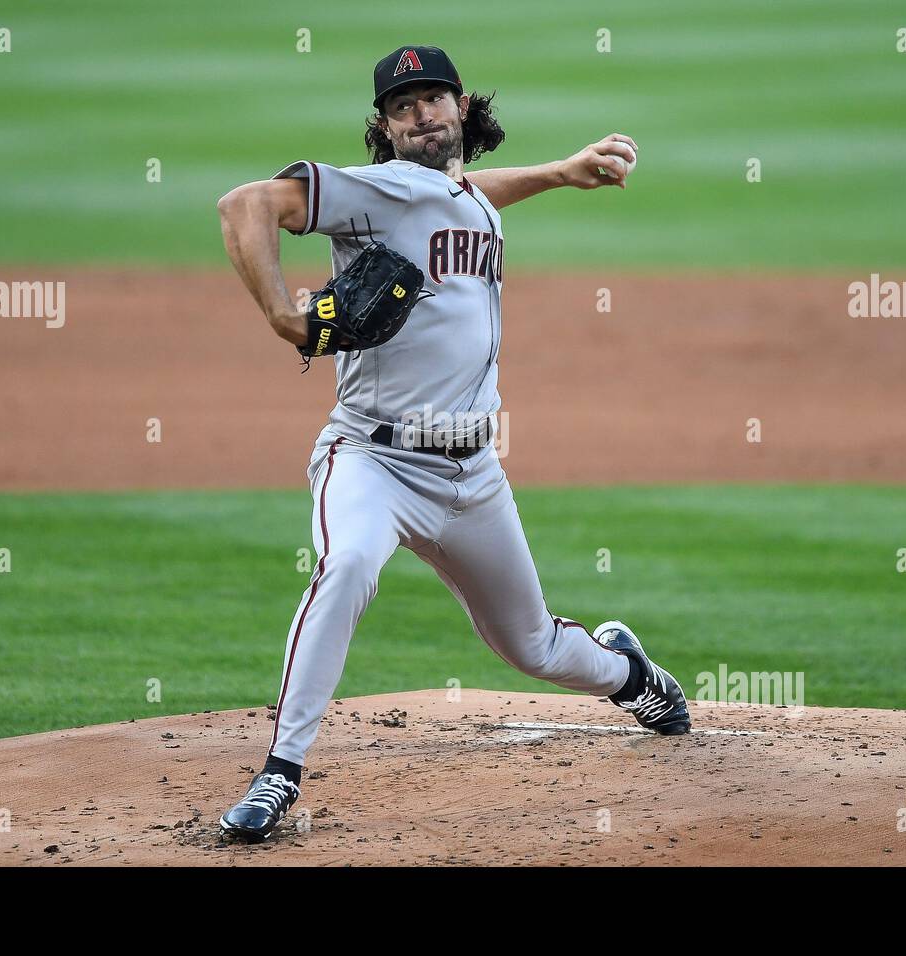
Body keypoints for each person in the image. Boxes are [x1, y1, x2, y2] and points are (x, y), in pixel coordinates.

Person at [214, 45, 688, 843]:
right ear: (384, 127)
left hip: (472, 475)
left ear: (461, 108)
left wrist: (560, 172)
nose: (421, 113)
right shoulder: (379, 191)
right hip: (373, 458)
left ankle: (631, 672)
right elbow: (243, 205)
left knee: (533, 645)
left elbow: (465, 195)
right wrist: (285, 319)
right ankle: (280, 773)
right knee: (350, 563)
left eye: (434, 98)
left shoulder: (462, 198)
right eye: (403, 106)